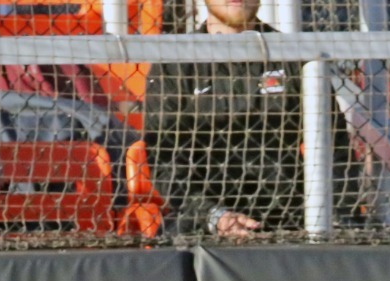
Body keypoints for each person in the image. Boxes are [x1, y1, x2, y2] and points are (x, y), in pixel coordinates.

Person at [141, 0, 349, 238]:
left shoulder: (295, 56)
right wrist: (213, 216)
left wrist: (336, 218)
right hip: (200, 225)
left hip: (289, 219)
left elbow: (338, 151)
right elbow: (164, 163)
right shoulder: (174, 65)